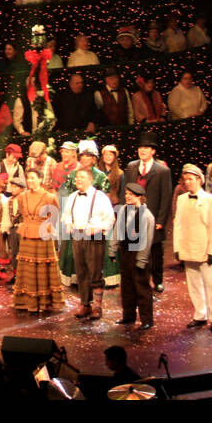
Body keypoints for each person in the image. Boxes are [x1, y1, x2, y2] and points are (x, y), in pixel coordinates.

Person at [61, 167, 114, 320]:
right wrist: (69, 223)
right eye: (77, 177)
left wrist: (98, 228)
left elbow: (110, 218)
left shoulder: (100, 197)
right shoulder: (72, 197)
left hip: (94, 237)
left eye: (82, 177)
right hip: (77, 236)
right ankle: (85, 304)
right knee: (81, 271)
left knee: (95, 272)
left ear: (90, 180)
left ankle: (98, 306)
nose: (78, 180)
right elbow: (66, 215)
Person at [173, 164, 212, 331]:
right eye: (185, 179)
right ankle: (200, 315)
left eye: (191, 179)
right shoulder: (181, 199)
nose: (188, 182)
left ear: (199, 181)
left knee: (209, 283)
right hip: (188, 246)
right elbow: (177, 224)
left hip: (204, 247)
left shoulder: (210, 200)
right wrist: (177, 247)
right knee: (193, 283)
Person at [123, 132, 172, 293]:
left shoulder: (162, 171)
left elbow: (166, 197)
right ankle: (136, 278)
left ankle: (157, 280)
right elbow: (127, 191)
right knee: (135, 247)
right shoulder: (131, 167)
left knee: (155, 249)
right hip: (135, 213)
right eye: (140, 147)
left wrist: (161, 220)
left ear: (153, 151)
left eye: (146, 147)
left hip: (153, 214)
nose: (142, 150)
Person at [10, 167, 63, 314]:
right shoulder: (22, 196)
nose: (30, 181)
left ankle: (44, 301)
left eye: (33, 178)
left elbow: (55, 216)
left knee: (42, 268)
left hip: (43, 237)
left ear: (40, 179)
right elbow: (23, 213)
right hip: (27, 236)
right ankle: (26, 301)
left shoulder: (49, 197)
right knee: (27, 267)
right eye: (28, 178)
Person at [110, 182, 155, 329]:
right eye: (127, 194)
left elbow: (146, 240)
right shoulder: (123, 210)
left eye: (131, 194)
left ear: (139, 197)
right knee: (127, 287)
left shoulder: (146, 215)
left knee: (141, 287)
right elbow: (117, 230)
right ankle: (128, 316)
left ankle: (147, 319)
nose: (127, 197)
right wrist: (112, 248)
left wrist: (141, 260)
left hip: (139, 253)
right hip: (125, 252)